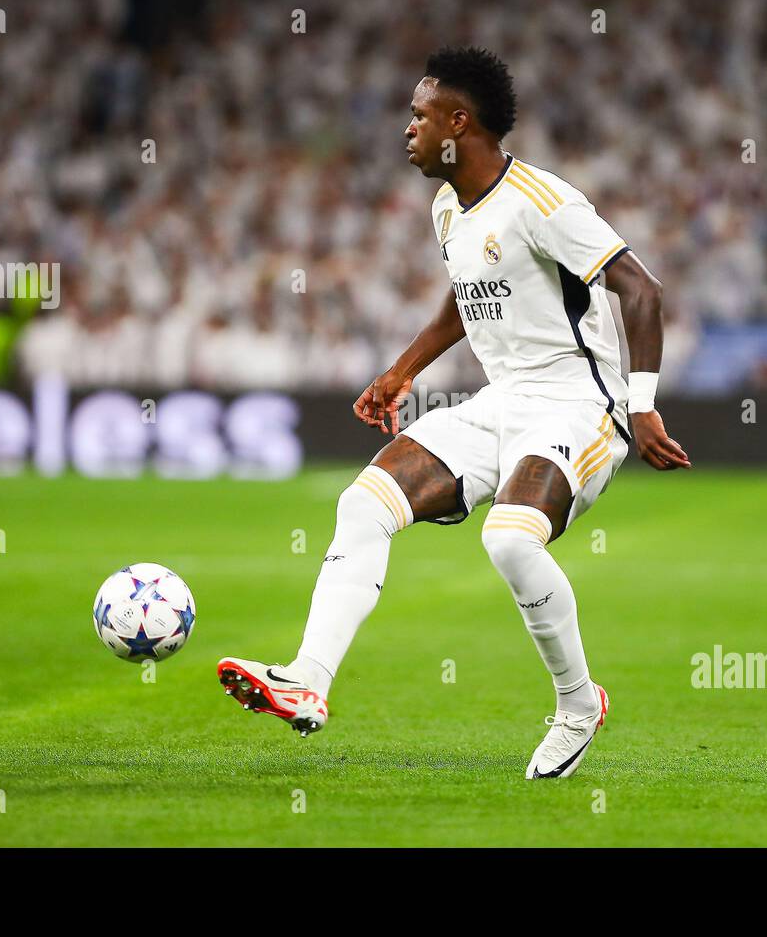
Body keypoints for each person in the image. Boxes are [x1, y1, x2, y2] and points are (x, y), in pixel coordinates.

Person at [217, 47, 689, 779]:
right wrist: (403, 370)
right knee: (363, 502)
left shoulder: (544, 202)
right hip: (499, 405)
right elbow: (466, 298)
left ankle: (576, 704)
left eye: (418, 113)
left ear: (457, 123)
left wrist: (644, 406)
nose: (407, 127)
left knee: (508, 541)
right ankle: (308, 678)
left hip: (579, 408)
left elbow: (643, 290)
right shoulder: (447, 207)